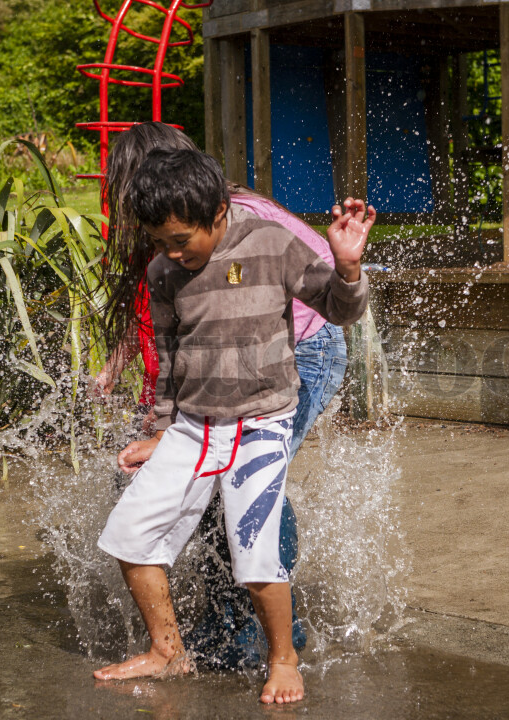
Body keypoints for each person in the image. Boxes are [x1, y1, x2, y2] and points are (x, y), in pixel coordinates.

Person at [93, 147, 374, 706]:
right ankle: (168, 650)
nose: (171, 254)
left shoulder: (270, 244)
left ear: (218, 214)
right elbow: (170, 357)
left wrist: (347, 268)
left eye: (181, 241)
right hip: (193, 427)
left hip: (260, 423)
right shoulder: (163, 270)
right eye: (160, 243)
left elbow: (340, 310)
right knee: (128, 533)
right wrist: (160, 430)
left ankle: (283, 657)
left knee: (253, 551)